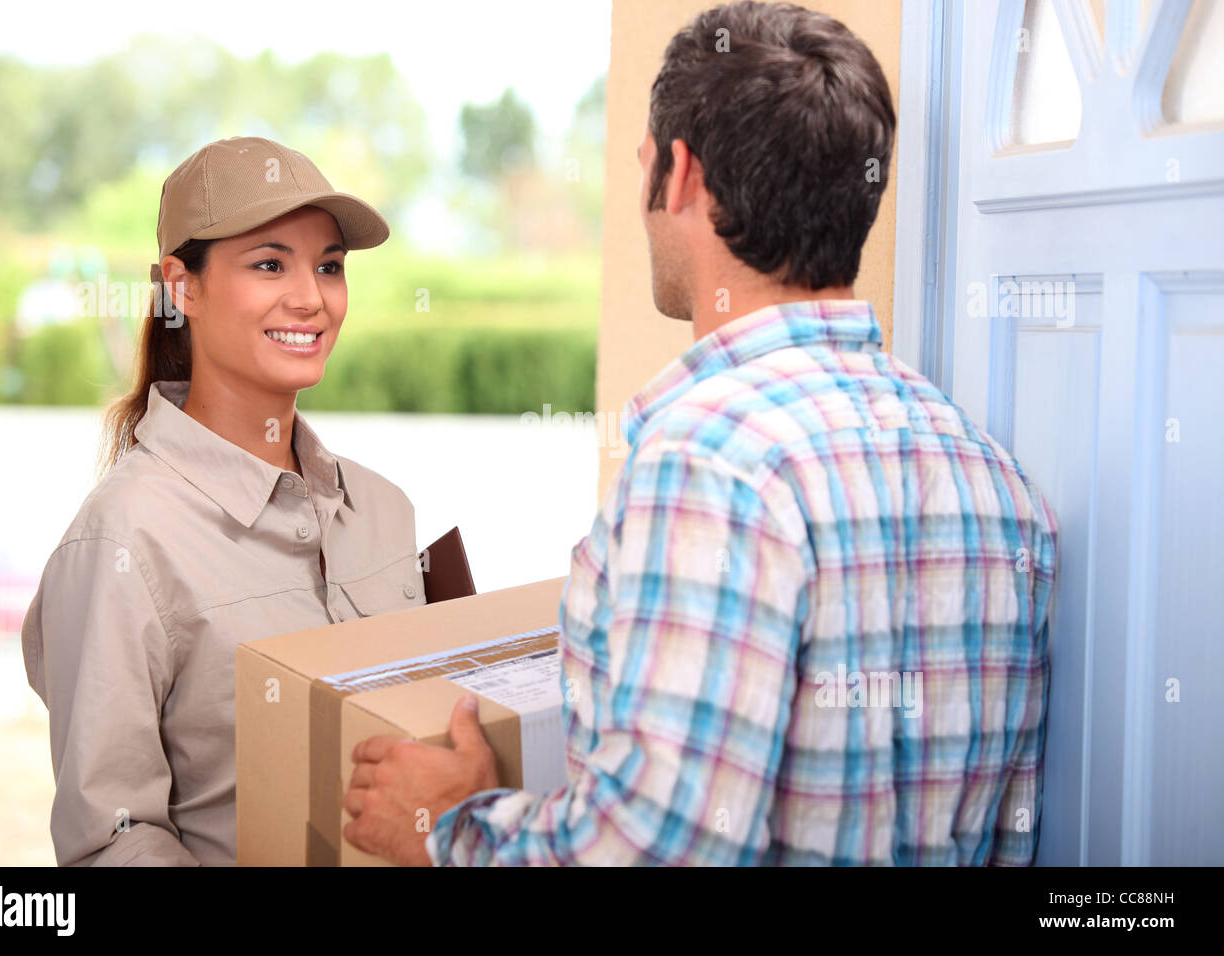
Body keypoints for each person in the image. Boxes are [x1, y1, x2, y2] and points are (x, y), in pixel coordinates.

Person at [343, 1, 1060, 866]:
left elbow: (654, 852)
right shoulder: (989, 474)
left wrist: (450, 823)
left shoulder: (707, 469)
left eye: (643, 165)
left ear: (680, 175)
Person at [21, 136, 429, 865]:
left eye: (329, 267)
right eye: (270, 263)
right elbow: (111, 842)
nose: (311, 298)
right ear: (183, 287)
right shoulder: (122, 541)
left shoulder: (386, 510)